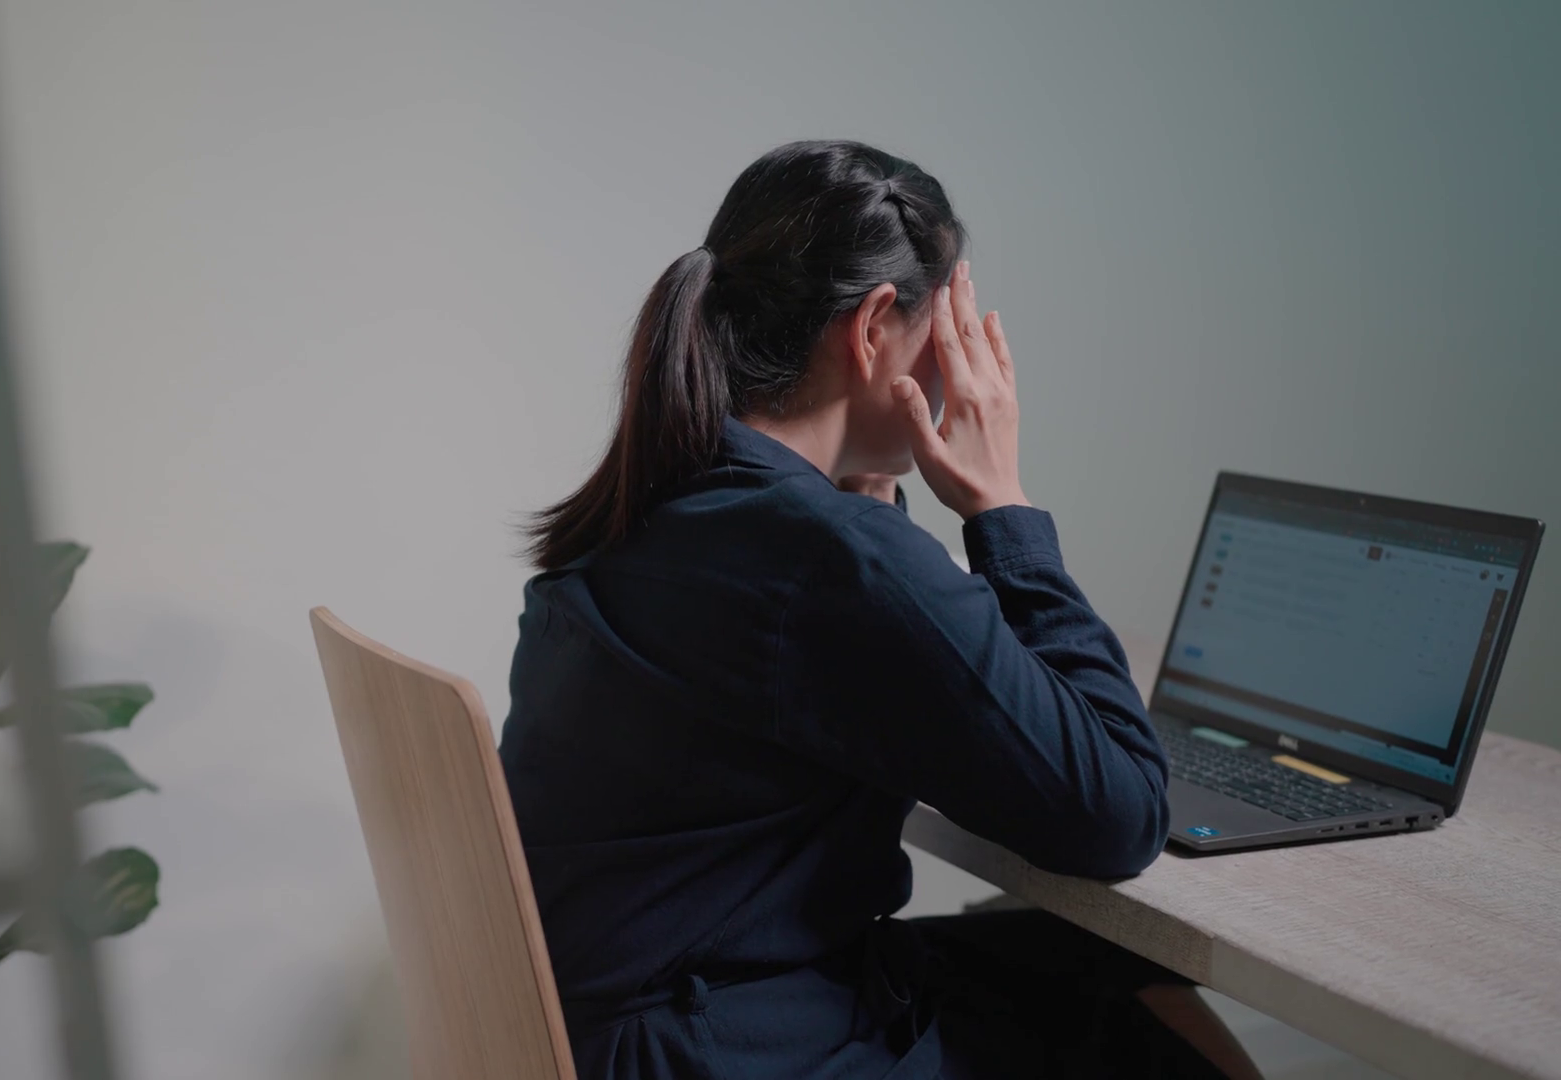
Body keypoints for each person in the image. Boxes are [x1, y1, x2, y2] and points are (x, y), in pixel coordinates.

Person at [497, 140, 1264, 1080]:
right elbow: (1121, 813)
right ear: (870, 331)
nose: (958, 375)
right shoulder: (830, 558)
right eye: (945, 338)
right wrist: (1003, 506)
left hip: (623, 1020)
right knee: (1131, 1020)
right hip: (727, 1043)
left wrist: (866, 492)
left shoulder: (657, 498)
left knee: (1096, 960)